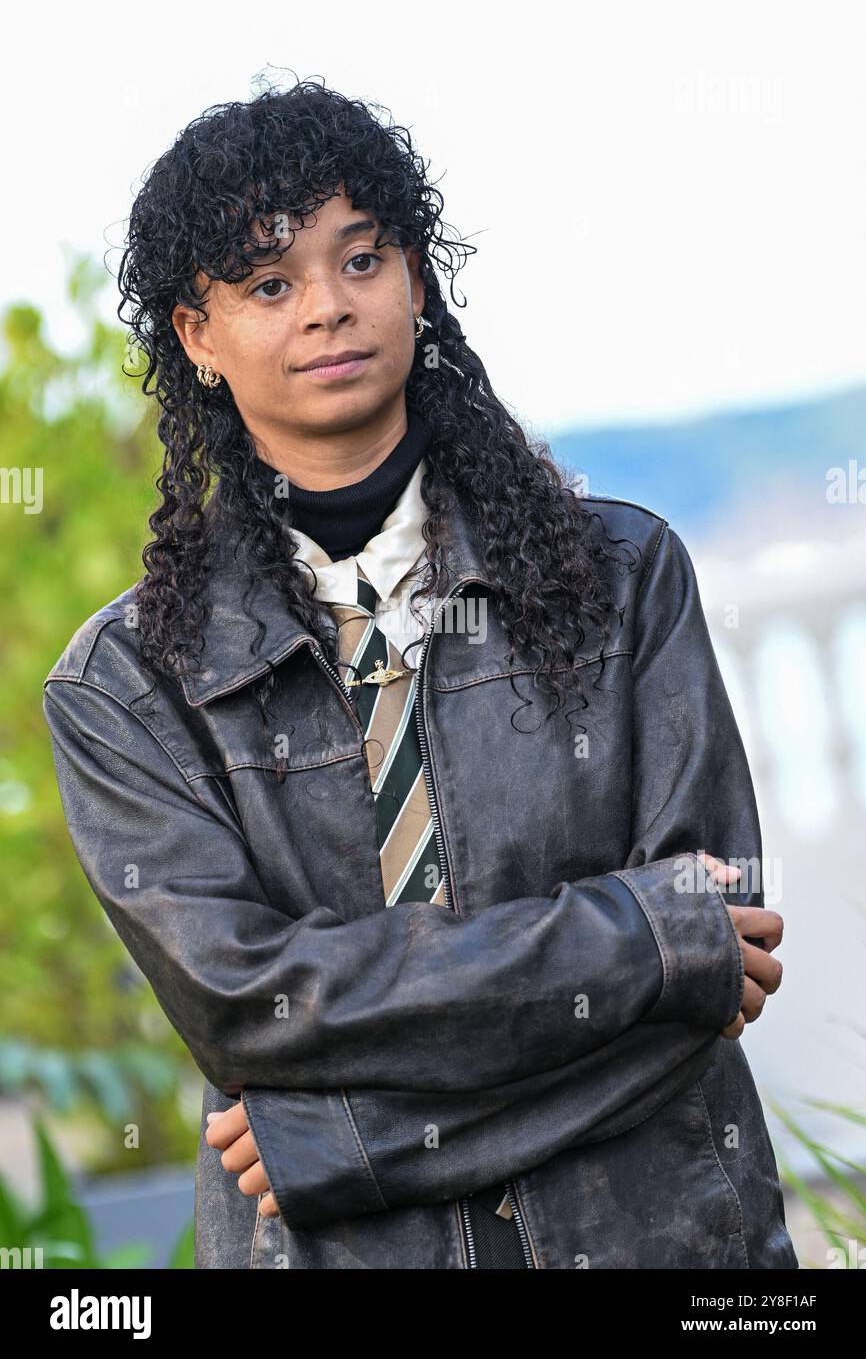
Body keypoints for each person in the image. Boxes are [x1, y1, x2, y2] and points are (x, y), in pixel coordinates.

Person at [42, 77, 797, 1270]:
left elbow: (720, 965)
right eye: (268, 284)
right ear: (196, 335)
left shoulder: (623, 574)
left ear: (415, 283)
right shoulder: (127, 687)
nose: (327, 309)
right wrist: (635, 941)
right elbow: (252, 1007)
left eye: (361, 259)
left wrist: (343, 1145)